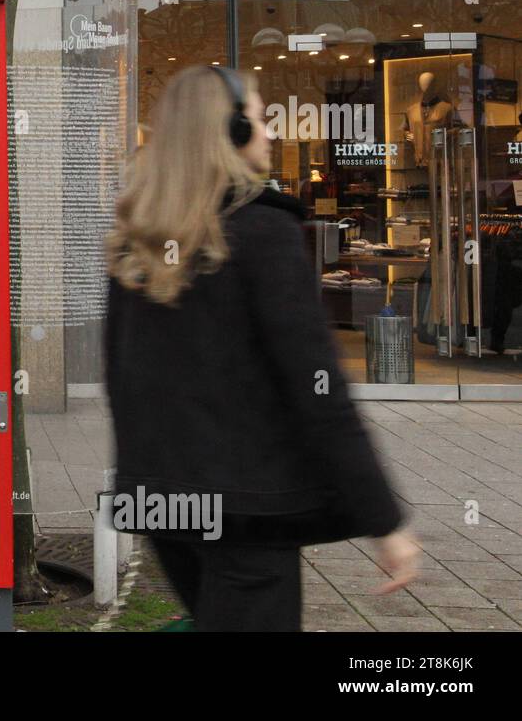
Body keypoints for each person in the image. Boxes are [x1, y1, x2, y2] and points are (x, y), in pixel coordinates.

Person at [104, 65, 420, 631]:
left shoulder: (139, 239)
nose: (271, 131)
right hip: (246, 512)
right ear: (229, 130)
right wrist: (385, 518)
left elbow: (122, 379)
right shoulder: (261, 232)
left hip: (164, 506)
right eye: (257, 116)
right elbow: (317, 386)